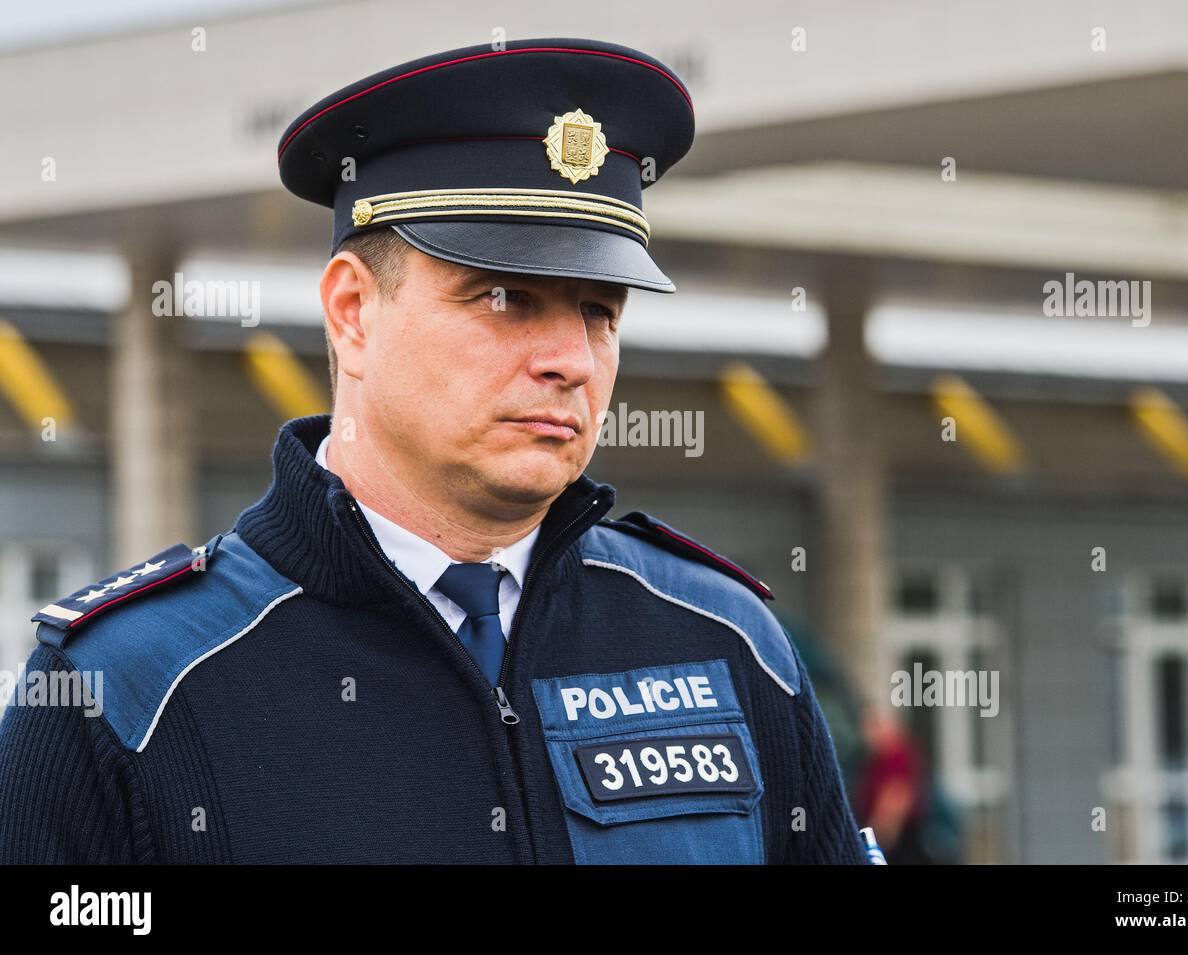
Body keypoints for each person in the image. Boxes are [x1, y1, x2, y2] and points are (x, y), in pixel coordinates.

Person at [0, 37, 867, 864]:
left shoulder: (728, 641)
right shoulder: (125, 689)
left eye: (600, 311)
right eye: (505, 297)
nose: (570, 358)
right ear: (352, 311)